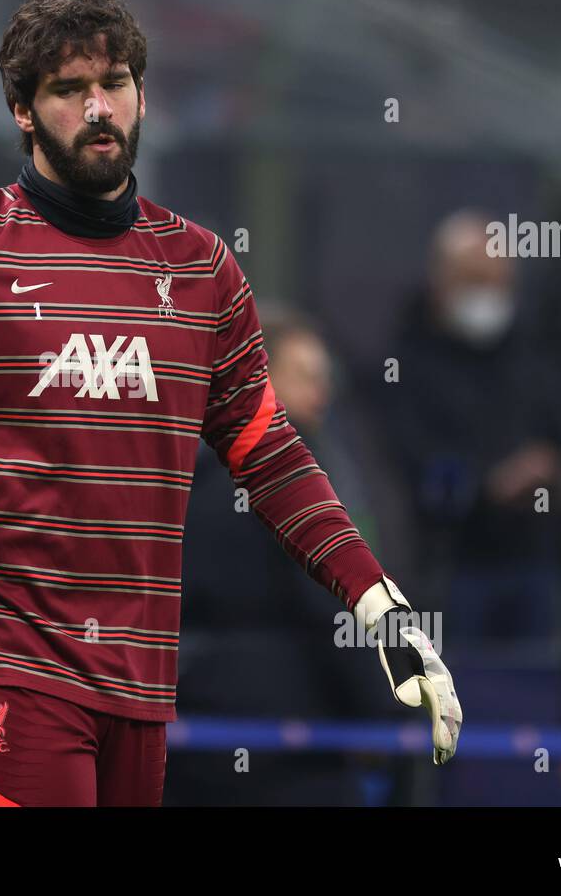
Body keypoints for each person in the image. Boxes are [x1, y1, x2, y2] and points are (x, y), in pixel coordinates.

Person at [0, 0, 461, 806]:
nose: (98, 108)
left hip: (139, 682)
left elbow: (268, 455)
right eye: (68, 90)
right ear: (22, 110)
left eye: (114, 84)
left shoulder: (201, 271)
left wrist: (377, 600)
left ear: (141, 94)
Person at [175, 306, 408, 805]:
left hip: (193, 736)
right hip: (291, 747)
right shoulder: (288, 473)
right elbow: (328, 601)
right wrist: (385, 709)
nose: (320, 394)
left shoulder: (188, 468)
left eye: (324, 378)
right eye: (304, 377)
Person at [387, 210, 561, 643]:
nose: (487, 293)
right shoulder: (406, 364)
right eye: (473, 278)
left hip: (539, 561)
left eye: (496, 280)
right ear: (441, 280)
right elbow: (405, 466)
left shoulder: (538, 357)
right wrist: (487, 484)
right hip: (452, 567)